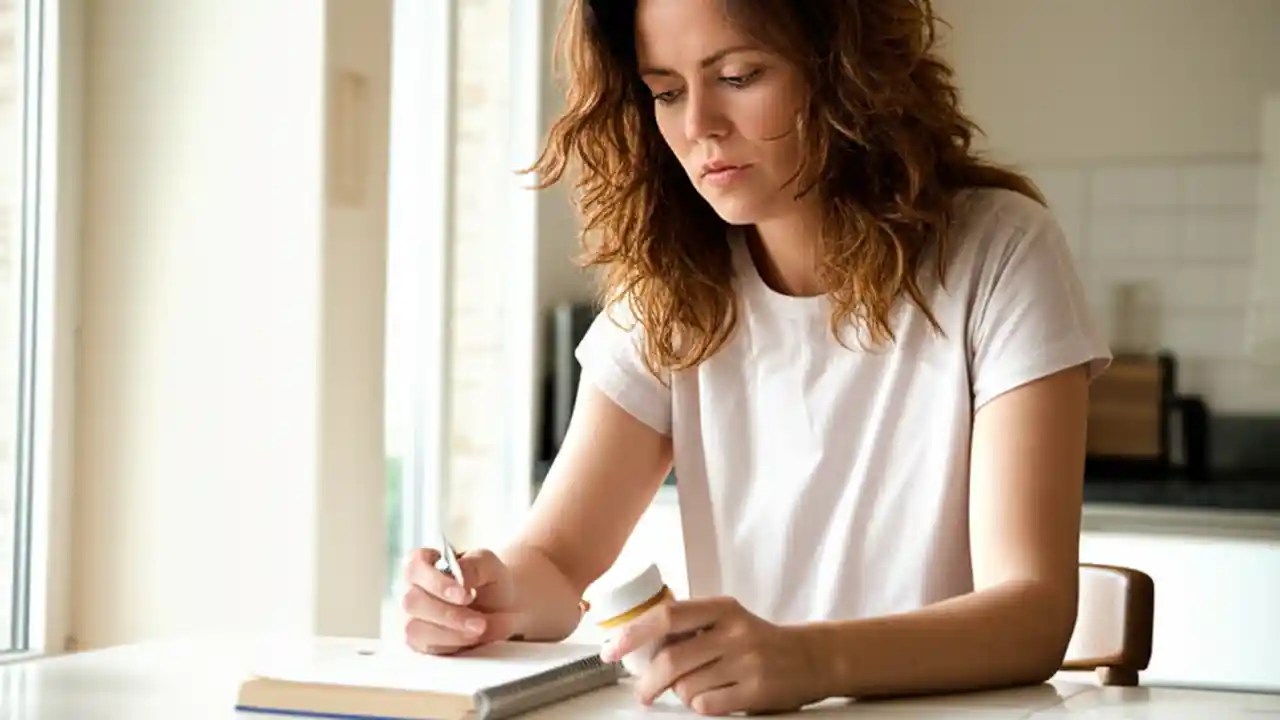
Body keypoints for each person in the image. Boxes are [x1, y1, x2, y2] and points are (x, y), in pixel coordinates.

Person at [400, 0, 1111, 715]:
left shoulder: (1002, 253)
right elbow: (556, 561)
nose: (699, 125)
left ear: (844, 71)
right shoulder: (669, 290)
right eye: (668, 92)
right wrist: (487, 595)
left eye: (738, 76)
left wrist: (812, 659)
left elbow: (1032, 615)